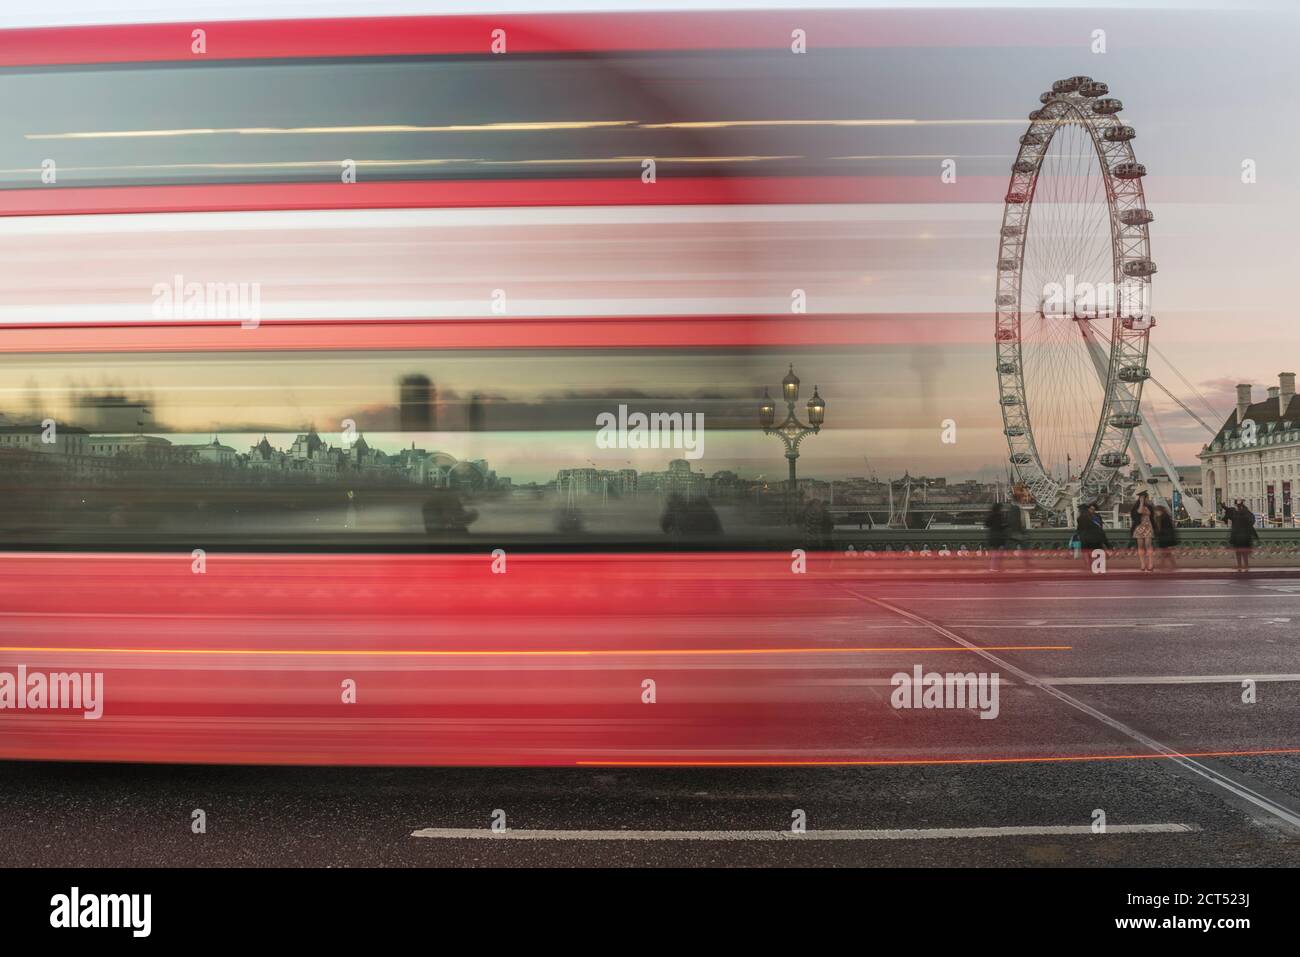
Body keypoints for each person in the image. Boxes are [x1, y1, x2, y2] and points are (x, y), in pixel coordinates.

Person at [1228, 498, 1260, 572]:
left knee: (1238, 553)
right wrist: (1256, 536)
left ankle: (1239, 567)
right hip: (1245, 538)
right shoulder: (1246, 516)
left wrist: (1231, 539)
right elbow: (1251, 526)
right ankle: (1246, 566)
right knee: (1245, 554)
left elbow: (1233, 529)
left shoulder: (1236, 516)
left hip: (1238, 539)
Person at [1130, 491, 1155, 572]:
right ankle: (1143, 563)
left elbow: (1152, 516)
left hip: (1148, 527)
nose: (1148, 499)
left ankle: (1150, 563)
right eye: (1146, 498)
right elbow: (1139, 511)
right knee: (1140, 546)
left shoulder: (1150, 507)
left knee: (1148, 545)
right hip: (1139, 527)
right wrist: (1141, 502)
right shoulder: (1136, 507)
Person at [1152, 504, 1178, 571]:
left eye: (1157, 511)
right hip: (1165, 538)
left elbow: (1165, 529)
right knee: (1166, 552)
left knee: (1165, 552)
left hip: (1165, 538)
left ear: (1160, 511)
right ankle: (1170, 564)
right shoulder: (1164, 517)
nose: (1156, 513)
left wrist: (1158, 533)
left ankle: (1164, 564)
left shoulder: (1164, 518)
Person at [985, 502, 1008, 571]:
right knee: (999, 552)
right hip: (999, 536)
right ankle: (997, 567)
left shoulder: (991, 515)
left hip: (992, 535)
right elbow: (1001, 526)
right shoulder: (1000, 516)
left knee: (995, 552)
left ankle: (993, 567)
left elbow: (987, 524)